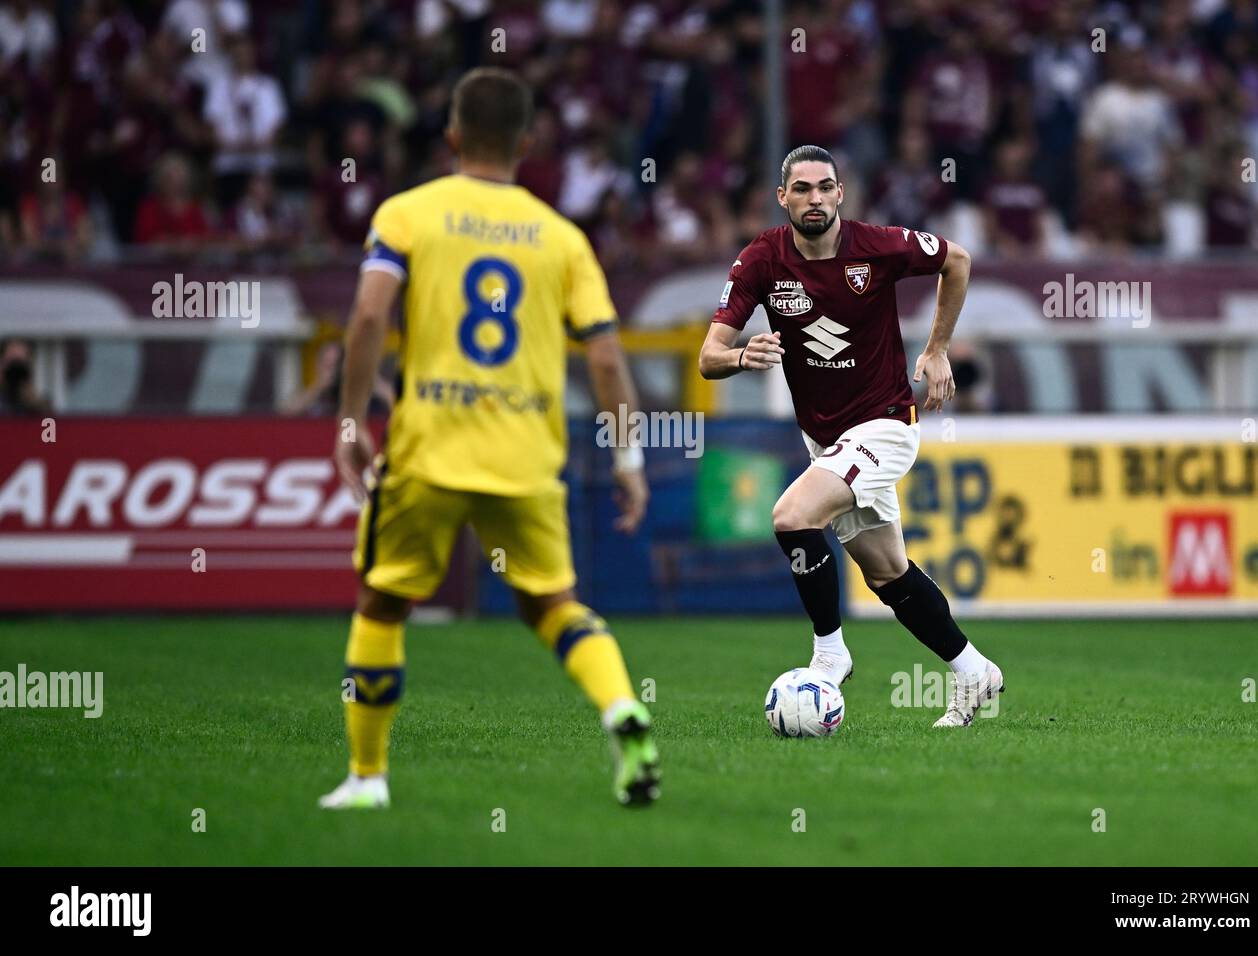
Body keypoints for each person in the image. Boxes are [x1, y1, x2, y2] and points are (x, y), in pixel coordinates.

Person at [321, 67, 658, 809]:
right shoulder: (563, 237)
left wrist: (351, 421)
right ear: (527, 142)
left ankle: (367, 778)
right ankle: (621, 709)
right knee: (556, 606)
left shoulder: (409, 213)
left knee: (382, 602)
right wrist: (629, 458)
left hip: (429, 448)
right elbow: (605, 356)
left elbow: (371, 319)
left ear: (450, 133)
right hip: (526, 455)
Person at [699, 144, 1002, 728]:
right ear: (782, 197)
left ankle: (829, 653)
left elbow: (957, 260)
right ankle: (974, 673)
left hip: (886, 424)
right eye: (803, 189)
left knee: (791, 517)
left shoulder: (877, 245)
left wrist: (936, 348)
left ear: (841, 194)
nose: (815, 198)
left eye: (825, 187)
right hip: (827, 440)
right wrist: (741, 356)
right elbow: (709, 357)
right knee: (888, 572)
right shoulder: (762, 259)